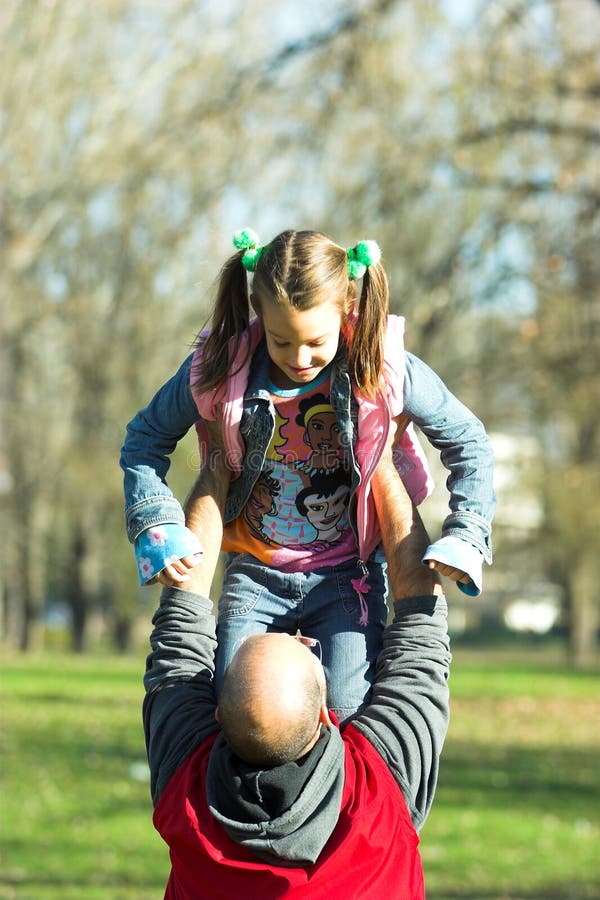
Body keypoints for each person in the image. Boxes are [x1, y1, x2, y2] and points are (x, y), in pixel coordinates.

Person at [122, 227, 494, 718]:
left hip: (346, 578)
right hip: (254, 574)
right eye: (281, 342)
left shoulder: (383, 366)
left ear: (346, 306)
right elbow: (144, 440)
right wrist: (157, 524)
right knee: (237, 711)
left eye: (316, 342)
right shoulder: (218, 367)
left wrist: (466, 531)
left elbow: (469, 441)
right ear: (258, 309)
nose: (299, 359)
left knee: (346, 711)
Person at [143, 441, 451, 899]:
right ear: (328, 712)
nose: (300, 632)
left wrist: (218, 454)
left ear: (218, 715)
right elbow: (420, 622)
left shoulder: (186, 791)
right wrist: (379, 453)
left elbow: (179, 630)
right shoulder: (379, 792)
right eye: (307, 648)